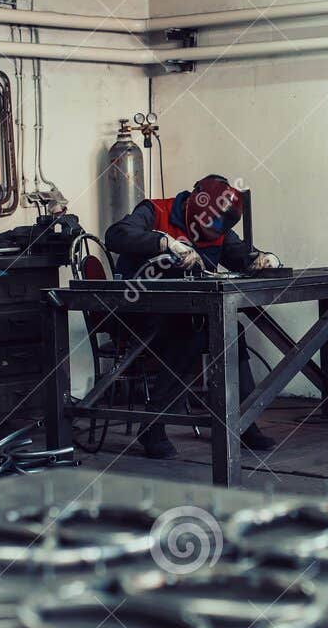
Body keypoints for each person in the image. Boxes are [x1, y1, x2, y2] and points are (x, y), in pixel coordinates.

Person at [103, 174, 283, 459]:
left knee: (229, 329)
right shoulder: (155, 210)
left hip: (185, 312)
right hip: (136, 311)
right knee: (189, 334)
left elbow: (240, 256)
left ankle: (243, 423)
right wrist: (165, 244)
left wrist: (264, 258)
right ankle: (153, 427)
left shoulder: (220, 224)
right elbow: (116, 235)